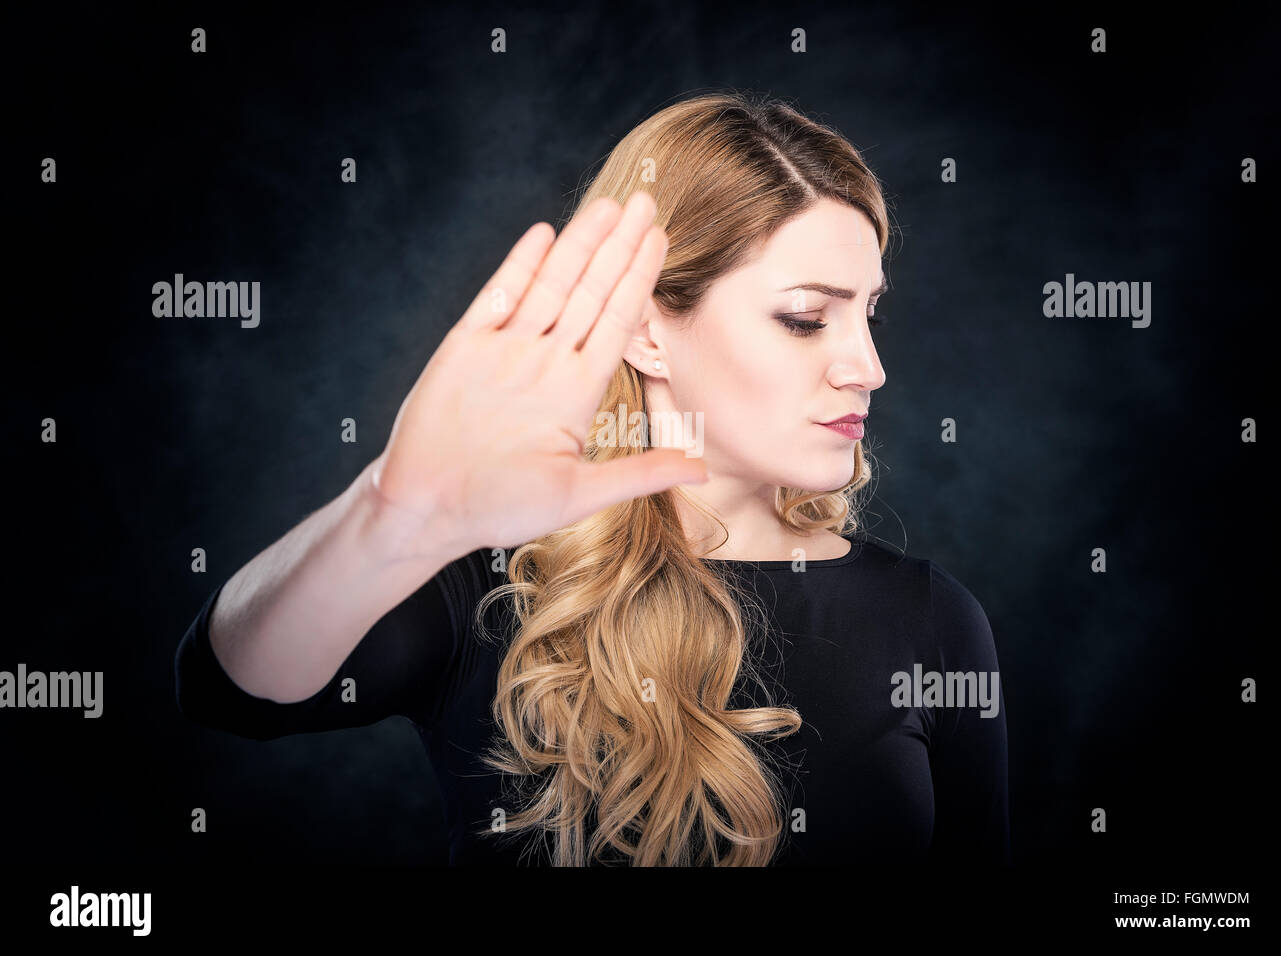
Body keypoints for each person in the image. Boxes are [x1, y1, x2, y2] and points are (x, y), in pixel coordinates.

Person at [174, 90, 1009, 867]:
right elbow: (229, 690)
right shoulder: (494, 579)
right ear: (648, 333)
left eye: (869, 312)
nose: (869, 367)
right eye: (805, 319)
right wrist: (390, 512)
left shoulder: (931, 619)